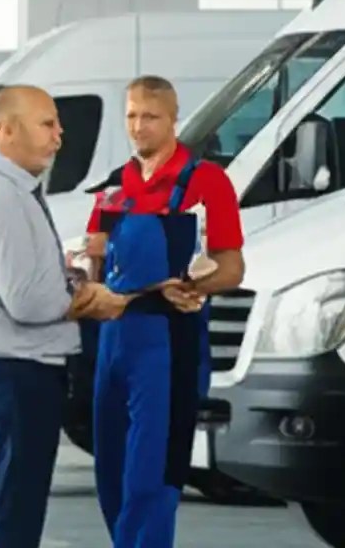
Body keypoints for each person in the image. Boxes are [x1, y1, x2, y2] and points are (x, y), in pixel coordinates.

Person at [83, 75, 245, 548]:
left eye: (150, 116)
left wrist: (193, 285)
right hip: (113, 343)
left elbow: (232, 267)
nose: (139, 126)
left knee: (151, 475)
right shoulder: (115, 186)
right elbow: (95, 260)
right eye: (131, 116)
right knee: (111, 473)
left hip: (168, 345)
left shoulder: (206, 182)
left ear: (174, 119)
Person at [0, 85, 119, 548]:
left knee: (5, 513)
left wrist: (64, 278)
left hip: (21, 373)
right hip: (19, 374)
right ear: (6, 130)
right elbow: (27, 302)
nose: (59, 135)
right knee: (15, 518)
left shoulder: (17, 193)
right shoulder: (4, 198)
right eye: (47, 124)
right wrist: (89, 297)